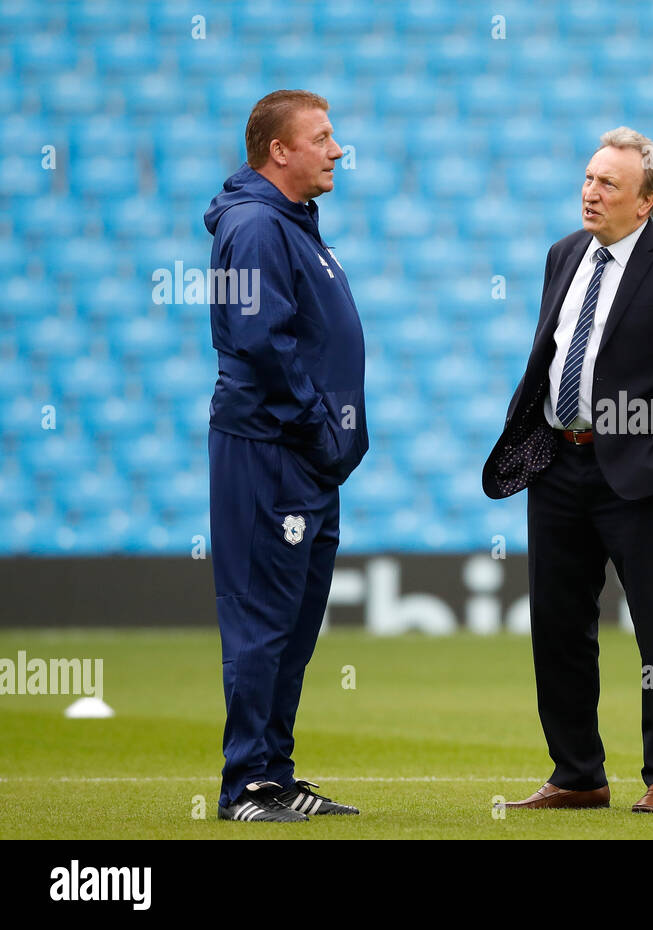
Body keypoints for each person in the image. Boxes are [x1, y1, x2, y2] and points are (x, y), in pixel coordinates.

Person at [483, 127, 653, 813]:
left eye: (608, 184)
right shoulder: (563, 254)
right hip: (560, 463)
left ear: (646, 200)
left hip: (641, 477)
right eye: (589, 179)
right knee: (557, 624)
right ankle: (577, 773)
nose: (590, 193)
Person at [204, 90, 367, 822]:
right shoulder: (255, 227)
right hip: (273, 451)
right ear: (280, 150)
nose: (337, 149)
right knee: (265, 621)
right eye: (323, 136)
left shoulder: (290, 225)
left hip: (301, 456)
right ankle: (248, 787)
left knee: (293, 624)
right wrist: (321, 426)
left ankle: (275, 773)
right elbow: (260, 342)